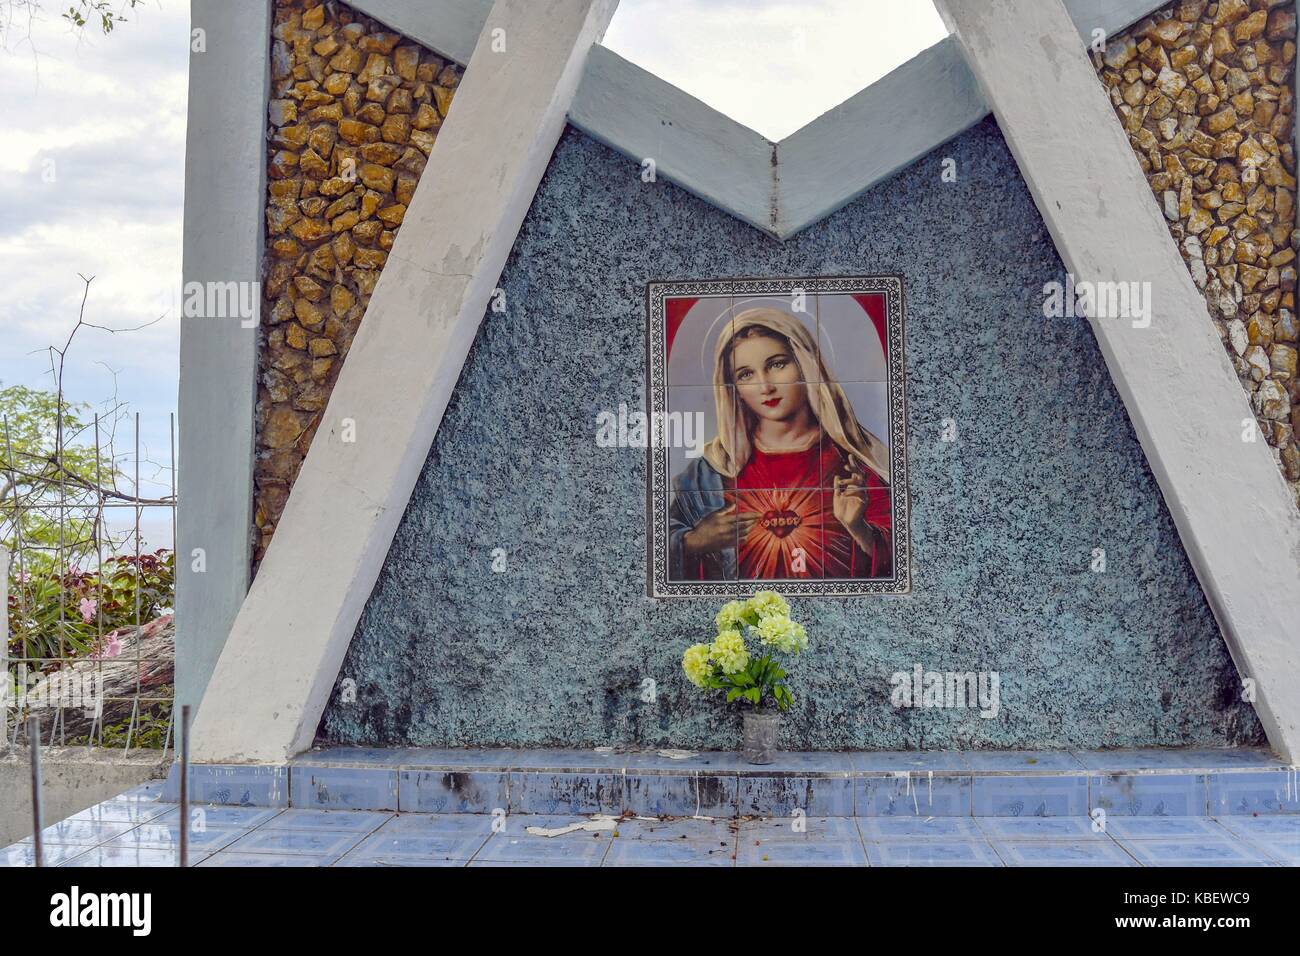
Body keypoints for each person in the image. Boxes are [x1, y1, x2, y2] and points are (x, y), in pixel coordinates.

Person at [668, 307, 892, 581]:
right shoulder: (709, 474)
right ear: (733, 389)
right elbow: (656, 559)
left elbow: (904, 564)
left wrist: (859, 528)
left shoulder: (856, 462)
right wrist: (692, 542)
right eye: (745, 374)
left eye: (777, 364)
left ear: (805, 364)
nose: (765, 386)